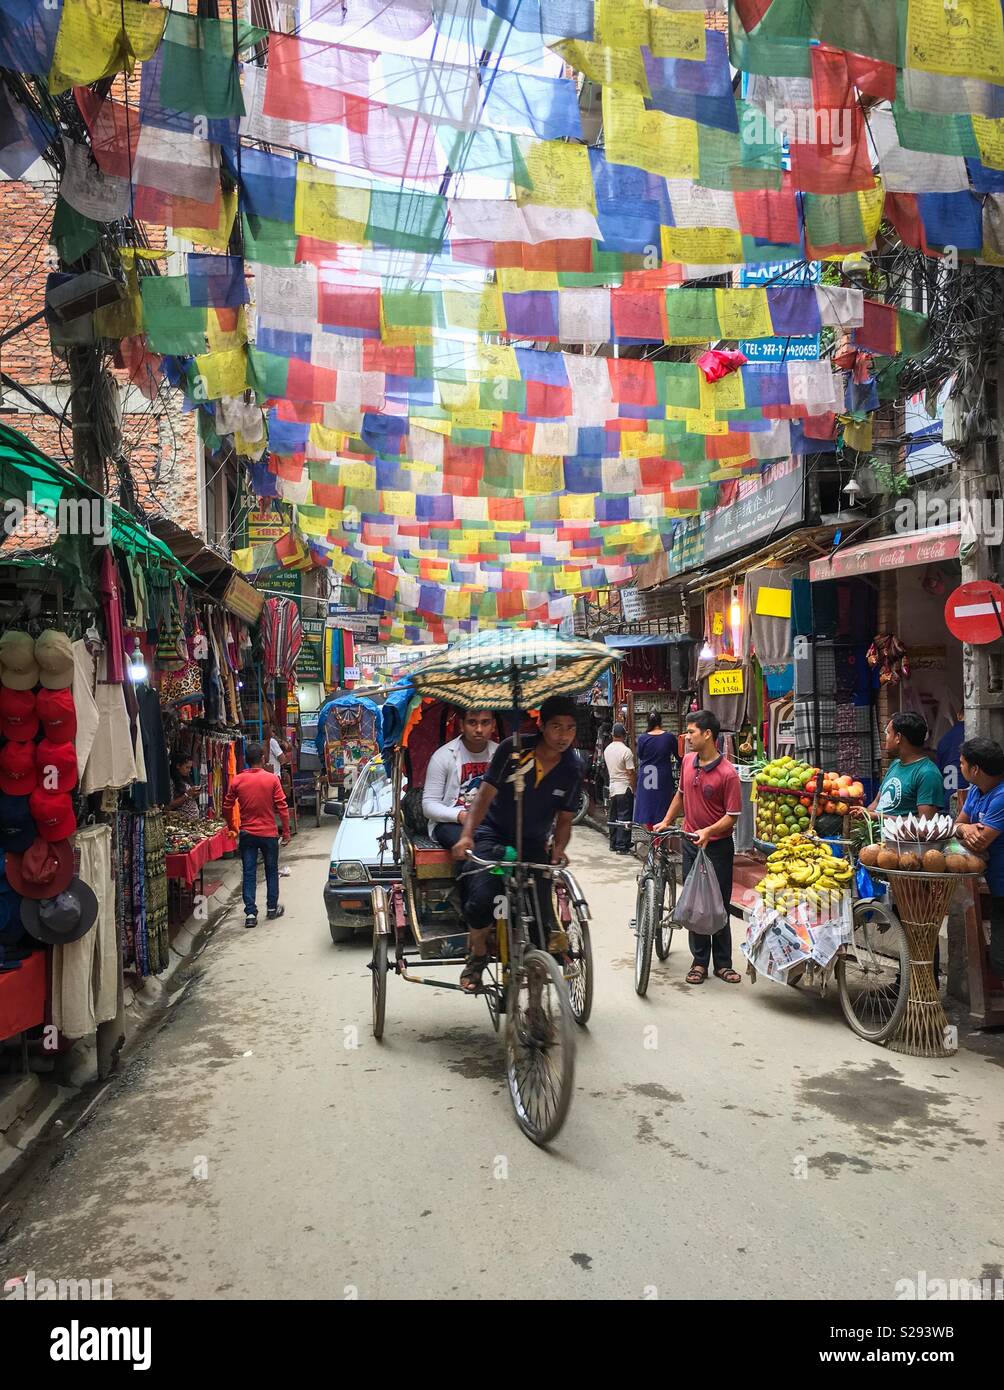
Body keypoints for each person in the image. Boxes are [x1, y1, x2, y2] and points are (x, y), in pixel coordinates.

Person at [452, 695, 582, 993]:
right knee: (482, 899)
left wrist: (559, 848)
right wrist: (468, 834)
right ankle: (478, 956)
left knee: (541, 919)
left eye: (570, 728)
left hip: (535, 842)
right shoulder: (513, 749)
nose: (563, 736)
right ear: (541, 725)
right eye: (556, 727)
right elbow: (484, 795)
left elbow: (564, 818)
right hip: (493, 836)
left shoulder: (572, 767)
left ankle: (537, 987)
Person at [654, 709, 742, 986]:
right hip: (691, 844)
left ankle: (723, 964)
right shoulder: (688, 761)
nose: (687, 736)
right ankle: (699, 962)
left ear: (707, 734)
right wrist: (666, 820)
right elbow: (681, 794)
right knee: (696, 903)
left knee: (718, 904)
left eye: (691, 731)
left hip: (717, 847)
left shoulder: (728, 774)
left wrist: (709, 831)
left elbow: (732, 815)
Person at [223, 742, 291, 929]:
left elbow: (227, 806)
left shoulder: (237, 780)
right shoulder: (272, 780)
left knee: (249, 873)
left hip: (247, 833)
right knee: (271, 870)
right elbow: (283, 808)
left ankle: (251, 914)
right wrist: (285, 832)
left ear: (245, 759)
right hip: (269, 833)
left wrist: (232, 827)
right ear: (263, 758)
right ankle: (271, 908)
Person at [955, 737, 1004, 984]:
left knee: (1000, 959)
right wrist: (968, 829)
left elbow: (981, 842)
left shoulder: (1002, 797)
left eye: (962, 763)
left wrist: (969, 832)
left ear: (975, 769)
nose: (959, 767)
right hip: (997, 888)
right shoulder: (976, 790)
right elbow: (958, 825)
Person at [421, 709, 498, 851]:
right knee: (473, 846)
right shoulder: (442, 756)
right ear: (462, 725)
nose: (479, 729)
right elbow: (429, 805)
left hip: (490, 822)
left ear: (493, 725)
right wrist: (461, 816)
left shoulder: (501, 755)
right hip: (451, 823)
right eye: (472, 722)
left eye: (485, 723)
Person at [854, 712, 946, 821]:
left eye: (888, 733)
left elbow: (926, 823)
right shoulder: (895, 764)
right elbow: (877, 803)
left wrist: (879, 818)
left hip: (898, 838)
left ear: (898, 738)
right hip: (878, 835)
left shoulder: (928, 774)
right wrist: (863, 813)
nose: (886, 738)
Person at [634, 710, 676, 829]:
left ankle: (653, 837)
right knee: (663, 807)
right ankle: (660, 838)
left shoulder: (642, 738)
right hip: (663, 776)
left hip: (647, 777)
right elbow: (679, 756)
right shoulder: (669, 737)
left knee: (648, 808)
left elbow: (640, 755)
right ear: (660, 721)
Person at [604, 723, 636, 853]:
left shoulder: (607, 750)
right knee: (624, 817)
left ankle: (613, 843)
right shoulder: (626, 751)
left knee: (613, 816)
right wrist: (633, 787)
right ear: (624, 735)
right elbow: (631, 772)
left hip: (613, 787)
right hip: (624, 786)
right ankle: (622, 846)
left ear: (613, 735)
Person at [169, 754, 201, 821]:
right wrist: (187, 795)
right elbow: (169, 805)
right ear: (178, 766)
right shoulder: (172, 781)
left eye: (190, 768)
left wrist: (194, 795)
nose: (189, 770)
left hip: (193, 821)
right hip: (183, 822)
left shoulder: (185, 779)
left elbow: (187, 799)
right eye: (187, 767)